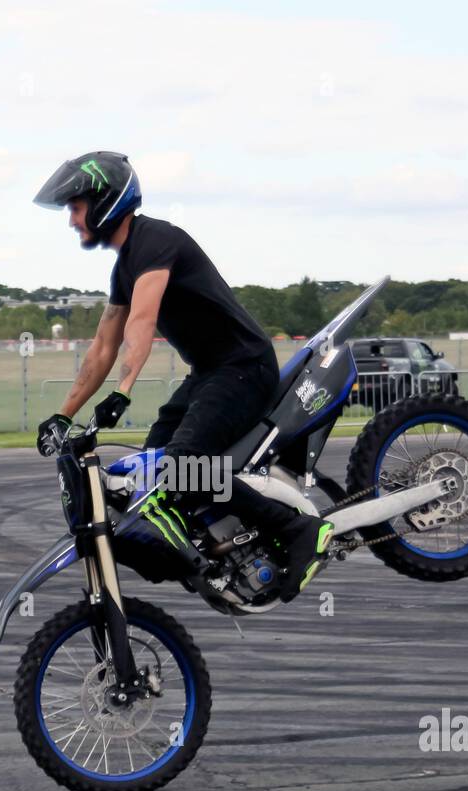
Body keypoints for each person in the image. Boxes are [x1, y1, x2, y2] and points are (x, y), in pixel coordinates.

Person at [33, 151, 332, 601]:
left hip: (243, 367)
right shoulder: (125, 266)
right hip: (211, 372)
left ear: (103, 203)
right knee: (152, 471)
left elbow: (141, 321)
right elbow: (102, 346)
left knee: (181, 465)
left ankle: (298, 530)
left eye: (75, 208)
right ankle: (215, 548)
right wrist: (62, 415)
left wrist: (124, 392)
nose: (72, 220)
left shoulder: (156, 241)